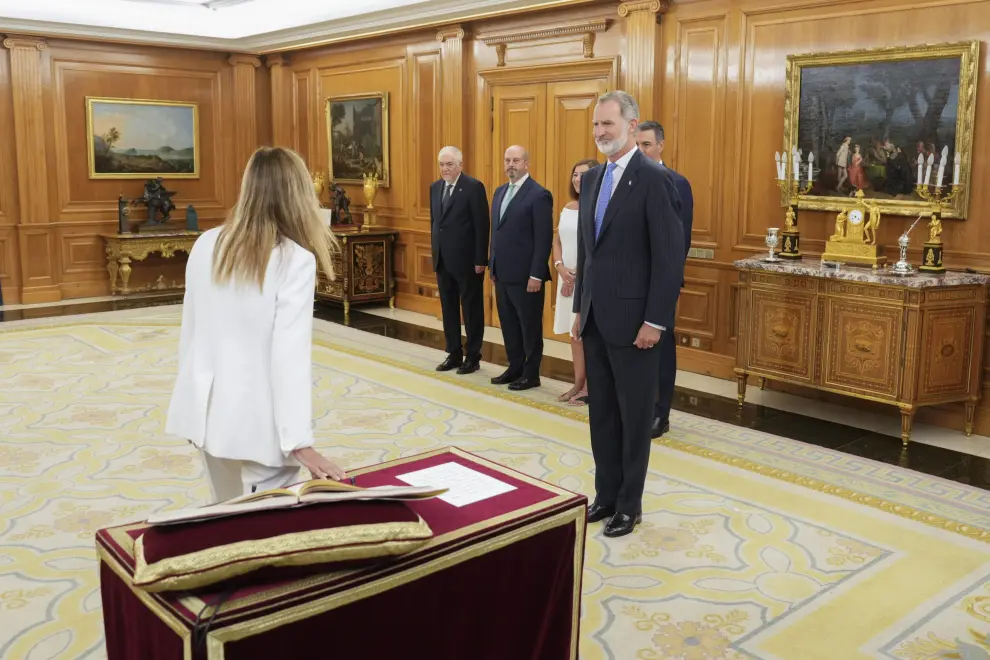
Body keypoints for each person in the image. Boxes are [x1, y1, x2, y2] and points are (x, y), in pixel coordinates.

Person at [166, 146, 347, 504]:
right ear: (298, 195)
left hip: (208, 418)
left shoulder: (206, 244)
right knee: (265, 537)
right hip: (262, 429)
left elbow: (192, 332)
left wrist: (191, 409)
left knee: (225, 517)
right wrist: (300, 443)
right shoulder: (295, 261)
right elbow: (288, 359)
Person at [571, 91, 685, 538]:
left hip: (637, 325)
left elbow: (668, 259)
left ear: (632, 127)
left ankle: (629, 506)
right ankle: (606, 495)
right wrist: (581, 308)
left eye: (609, 125)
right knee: (602, 415)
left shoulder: (655, 179)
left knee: (635, 419)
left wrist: (655, 321)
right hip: (597, 319)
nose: (600, 133)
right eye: (596, 125)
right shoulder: (594, 179)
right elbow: (588, 253)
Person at [636, 120, 693, 438]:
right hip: (628, 284)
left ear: (660, 145)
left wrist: (664, 282)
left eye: (647, 144)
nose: (641, 150)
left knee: (660, 349)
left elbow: (678, 241)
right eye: (638, 144)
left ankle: (661, 413)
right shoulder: (628, 180)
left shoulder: (676, 182)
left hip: (660, 284)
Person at [489, 145, 553, 391]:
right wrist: (492, 266)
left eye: (516, 160)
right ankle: (515, 366)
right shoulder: (499, 191)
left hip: (527, 277)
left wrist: (537, 273)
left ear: (526, 163)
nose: (510, 165)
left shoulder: (539, 195)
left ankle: (531, 373)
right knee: (509, 324)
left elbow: (543, 238)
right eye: (507, 160)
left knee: (529, 327)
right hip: (502, 274)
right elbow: (497, 233)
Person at [430, 146, 491, 375]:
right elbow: (435, 223)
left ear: (460, 165)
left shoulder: (473, 187)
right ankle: (453, 353)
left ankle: (472, 356)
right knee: (448, 309)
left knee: (471, 309)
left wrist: (480, 260)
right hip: (443, 260)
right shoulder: (435, 188)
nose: (445, 169)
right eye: (442, 165)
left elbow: (481, 226)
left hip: (468, 262)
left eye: (449, 164)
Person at [552, 158, 599, 406]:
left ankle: (590, 388)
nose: (577, 179)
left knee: (585, 334)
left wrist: (578, 275)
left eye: (583, 174)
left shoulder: (599, 209)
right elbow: (557, 241)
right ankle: (578, 383)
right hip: (566, 279)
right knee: (573, 336)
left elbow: (596, 250)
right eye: (575, 174)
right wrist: (560, 268)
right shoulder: (569, 207)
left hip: (587, 281)